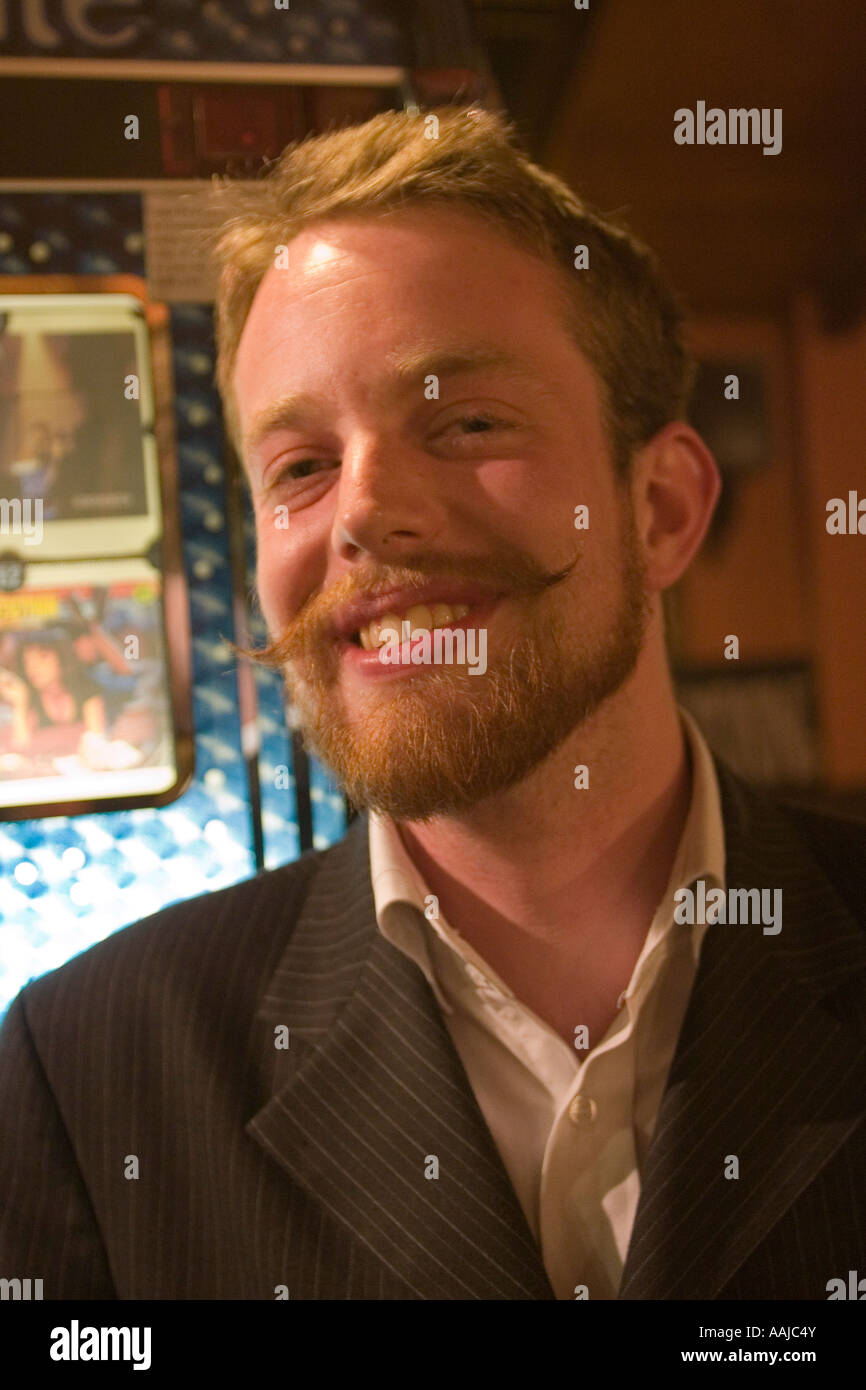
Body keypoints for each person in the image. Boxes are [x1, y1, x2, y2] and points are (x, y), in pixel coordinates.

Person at [1, 108, 864, 1302]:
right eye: (300, 465)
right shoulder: (86, 1074)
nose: (363, 512)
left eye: (464, 422)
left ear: (660, 508)